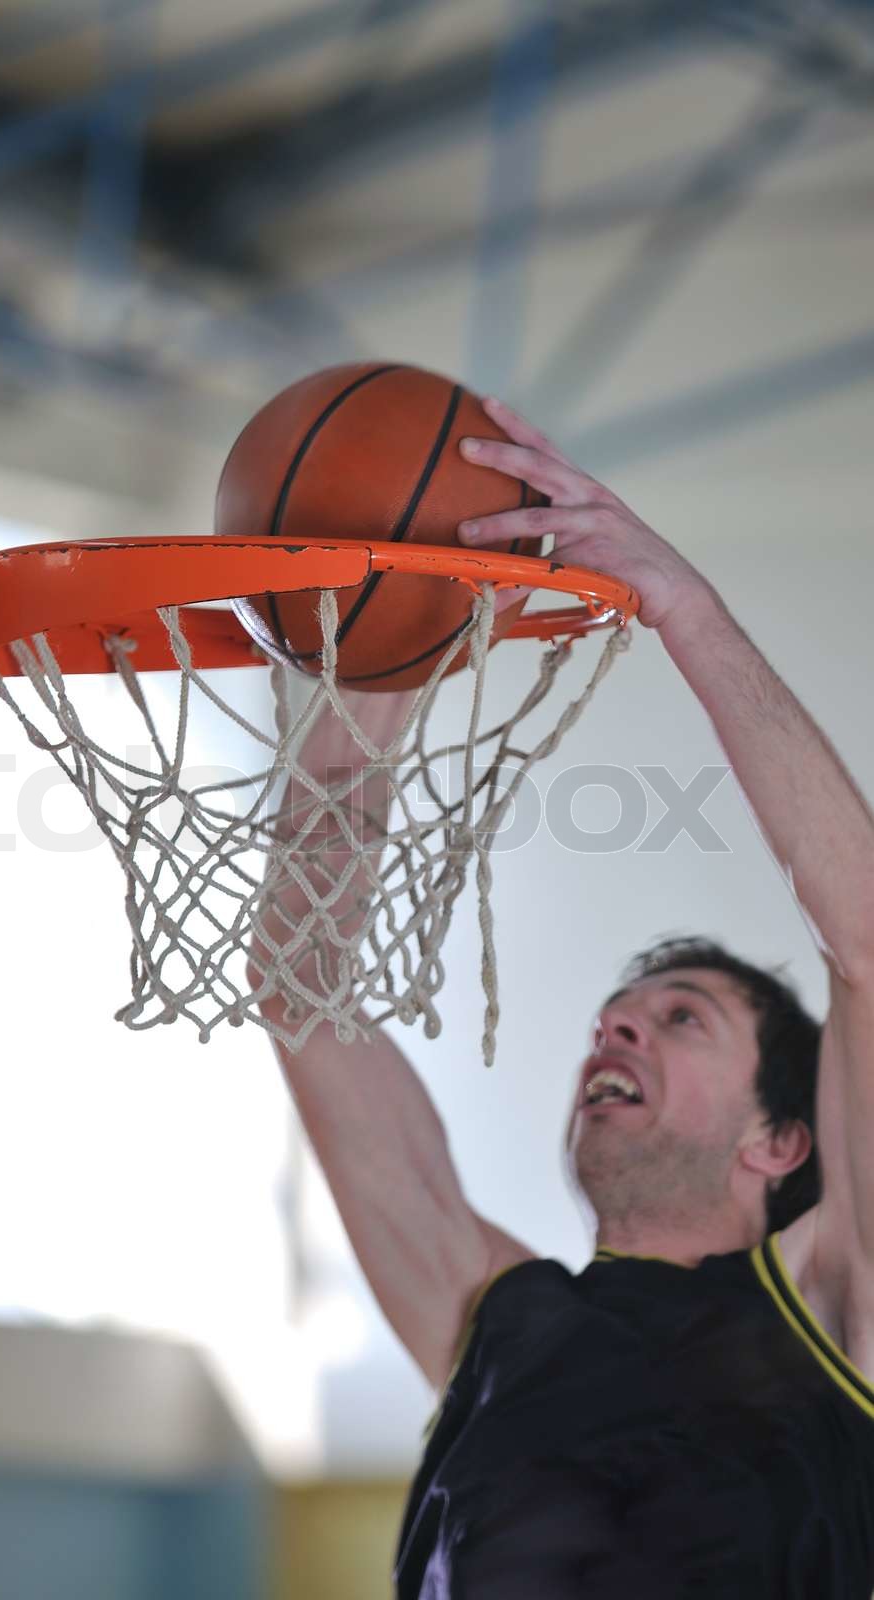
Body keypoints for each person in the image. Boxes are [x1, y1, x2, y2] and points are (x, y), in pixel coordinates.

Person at [248, 396, 874, 1598]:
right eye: (620, 1014)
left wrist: (680, 605)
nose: (614, 1024)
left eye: (681, 1016)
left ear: (780, 1140)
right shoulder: (492, 1317)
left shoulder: (833, 1303)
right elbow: (300, 990)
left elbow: (864, 943)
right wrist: (371, 657)